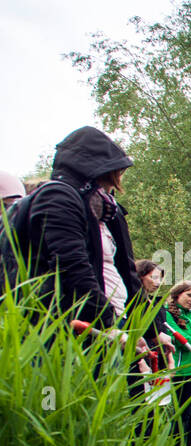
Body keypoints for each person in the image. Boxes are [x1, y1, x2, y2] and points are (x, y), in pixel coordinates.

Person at [0, 128, 169, 370]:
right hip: (62, 326)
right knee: (54, 400)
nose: (118, 181)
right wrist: (107, 323)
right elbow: (73, 267)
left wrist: (151, 332)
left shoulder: (106, 209)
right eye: (116, 173)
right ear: (100, 169)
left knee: (104, 402)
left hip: (105, 324)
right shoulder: (58, 196)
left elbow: (127, 273)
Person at [165, 280, 191, 446]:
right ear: (177, 294)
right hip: (182, 372)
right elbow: (177, 338)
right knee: (182, 415)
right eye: (188, 295)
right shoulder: (168, 313)